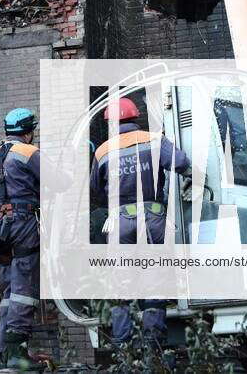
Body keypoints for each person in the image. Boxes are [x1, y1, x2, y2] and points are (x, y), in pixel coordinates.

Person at [89, 97, 191, 348]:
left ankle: (123, 345)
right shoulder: (152, 140)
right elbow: (181, 163)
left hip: (120, 221)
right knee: (154, 281)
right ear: (136, 117)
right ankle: (153, 345)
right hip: (153, 219)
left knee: (121, 284)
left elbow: (96, 191)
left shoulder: (102, 151)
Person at [0, 107, 42, 369]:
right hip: (22, 224)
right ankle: (17, 353)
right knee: (24, 288)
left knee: (9, 289)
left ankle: (3, 350)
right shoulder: (28, 152)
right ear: (28, 131)